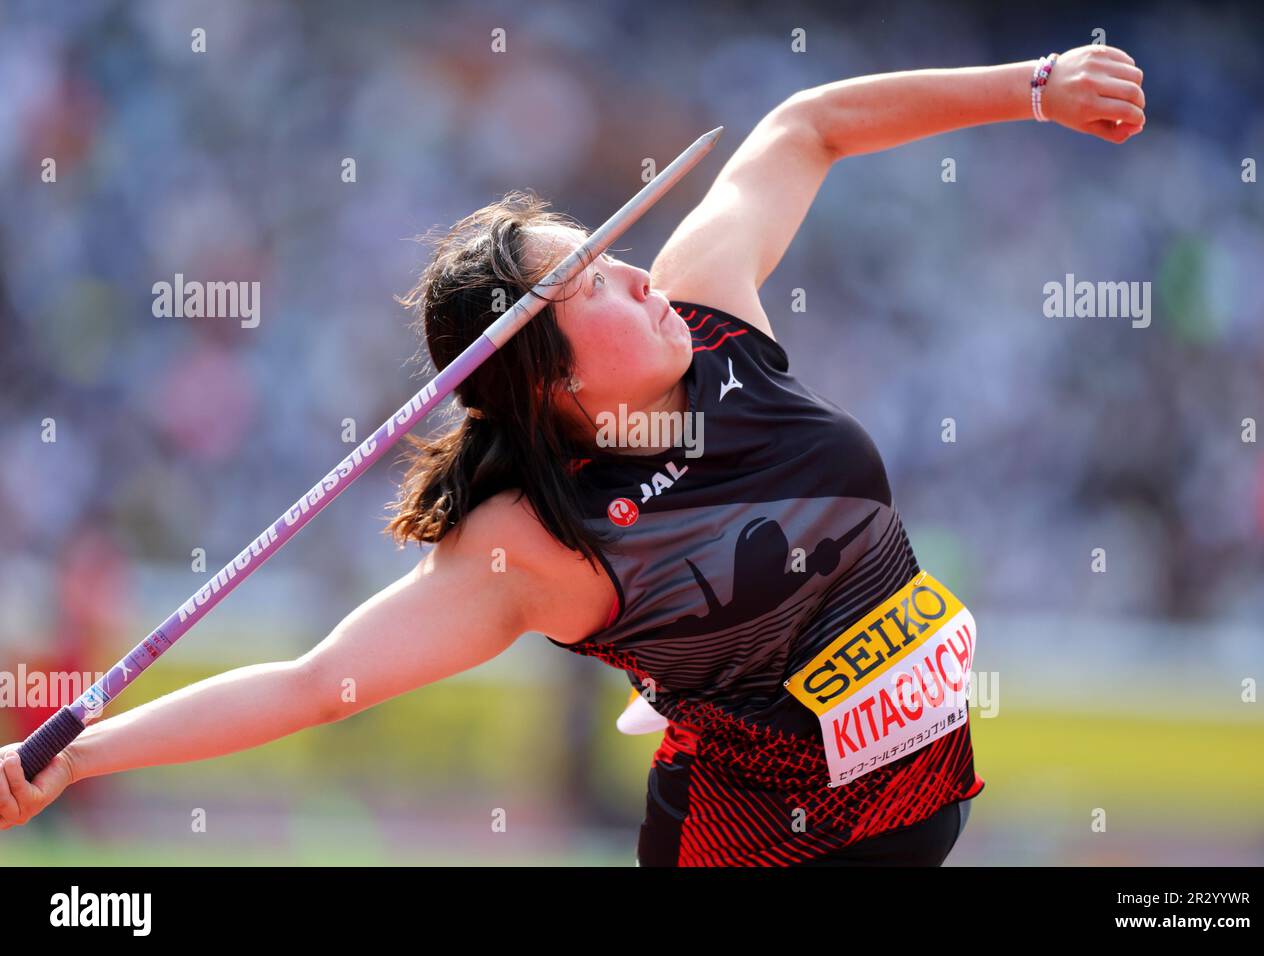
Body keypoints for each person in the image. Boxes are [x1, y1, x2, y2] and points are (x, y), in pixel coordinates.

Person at [1, 45, 1145, 865]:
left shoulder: (713, 312)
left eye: (614, 250)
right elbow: (311, 684)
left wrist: (1032, 87)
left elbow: (806, 125)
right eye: (593, 281)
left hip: (921, 808)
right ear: (548, 375)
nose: (640, 274)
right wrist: (83, 756)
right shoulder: (532, 543)